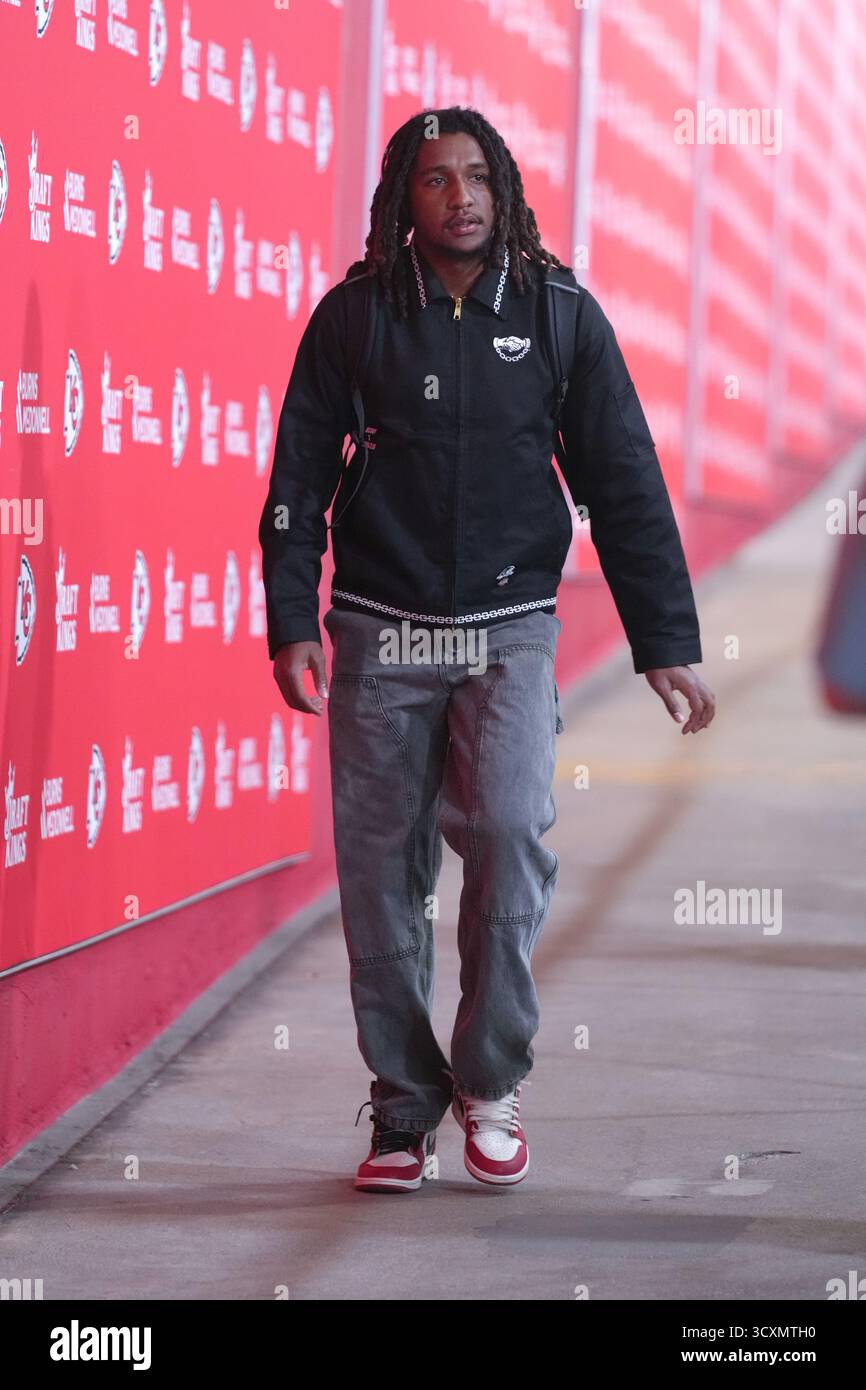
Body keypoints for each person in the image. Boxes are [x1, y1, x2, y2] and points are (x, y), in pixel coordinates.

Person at [258, 106, 715, 1193]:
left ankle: (489, 1075)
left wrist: (665, 641)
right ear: (401, 201)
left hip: (509, 632)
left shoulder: (558, 314)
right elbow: (294, 488)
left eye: (475, 177)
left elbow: (624, 480)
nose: (457, 196)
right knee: (381, 880)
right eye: (433, 180)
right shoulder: (355, 318)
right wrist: (289, 623)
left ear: (502, 189)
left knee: (507, 835)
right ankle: (402, 1108)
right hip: (377, 628)